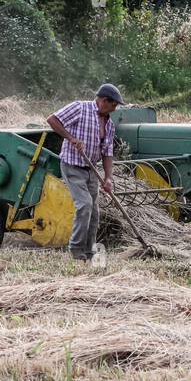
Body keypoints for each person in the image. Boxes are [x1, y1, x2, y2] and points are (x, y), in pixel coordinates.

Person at [47, 84, 123, 261]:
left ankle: (90, 251)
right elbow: (52, 120)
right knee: (85, 205)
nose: (115, 108)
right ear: (104, 101)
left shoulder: (109, 124)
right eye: (114, 105)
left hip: (91, 170)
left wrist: (108, 177)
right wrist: (71, 138)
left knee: (94, 211)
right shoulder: (80, 108)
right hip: (72, 166)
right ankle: (76, 248)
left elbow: (107, 152)